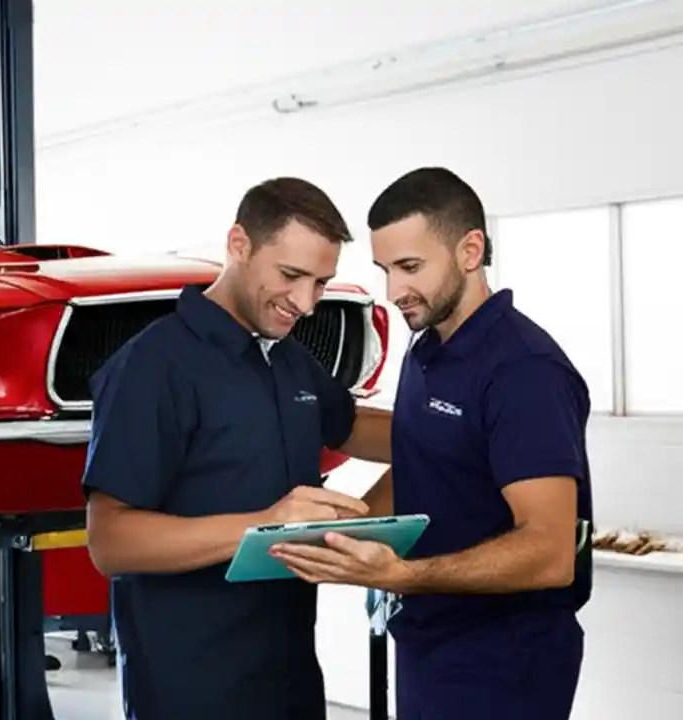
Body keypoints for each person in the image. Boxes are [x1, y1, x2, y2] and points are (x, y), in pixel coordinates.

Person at [271, 167, 592, 719]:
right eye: (385, 269)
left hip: (504, 661)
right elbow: (426, 458)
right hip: (428, 639)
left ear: (470, 250)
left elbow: (550, 553)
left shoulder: (523, 371)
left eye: (410, 267)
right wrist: (338, 537)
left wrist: (401, 575)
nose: (394, 291)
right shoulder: (429, 350)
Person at [82, 177, 394, 720]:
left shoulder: (287, 357)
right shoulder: (154, 366)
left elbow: (348, 425)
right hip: (190, 686)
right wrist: (268, 526)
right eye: (291, 276)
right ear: (238, 245)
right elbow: (110, 541)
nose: (305, 302)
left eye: (321, 283)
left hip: (290, 673)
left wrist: (463, 423)